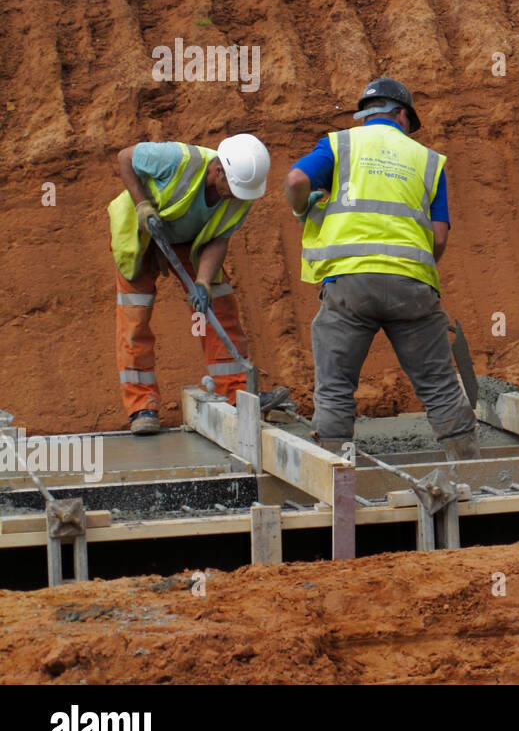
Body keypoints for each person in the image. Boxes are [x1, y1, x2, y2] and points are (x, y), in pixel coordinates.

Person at [285, 78, 479, 459]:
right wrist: (415, 271)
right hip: (412, 288)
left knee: (336, 387)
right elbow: (439, 238)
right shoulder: (427, 161)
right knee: (440, 386)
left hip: (350, 284)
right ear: (402, 116)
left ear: (365, 115)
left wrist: (300, 207)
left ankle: (334, 478)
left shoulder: (341, 144)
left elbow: (295, 179)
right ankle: (469, 472)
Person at [109, 134, 275, 435]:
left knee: (220, 302)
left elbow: (219, 238)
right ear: (218, 171)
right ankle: (141, 407)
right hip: (142, 232)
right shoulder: (176, 159)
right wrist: (143, 205)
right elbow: (125, 157)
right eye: (232, 188)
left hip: (192, 241)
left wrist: (202, 282)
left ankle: (236, 394)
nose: (236, 196)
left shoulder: (240, 195)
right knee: (135, 316)